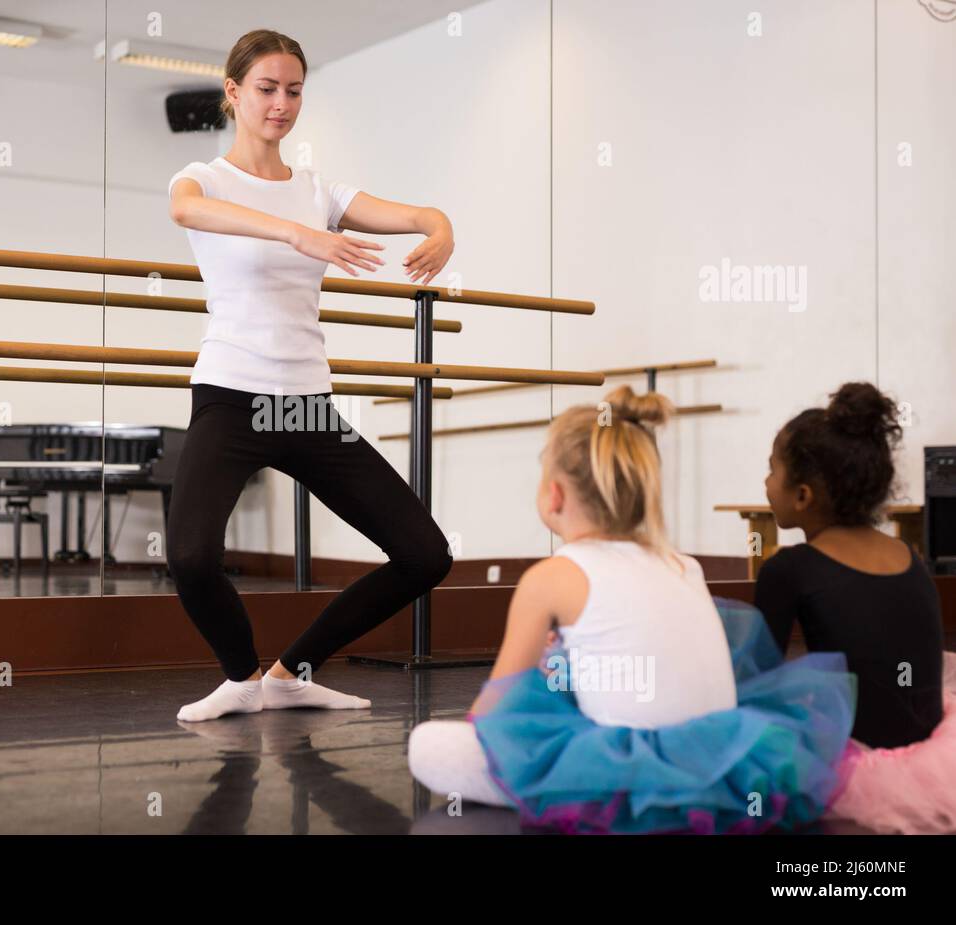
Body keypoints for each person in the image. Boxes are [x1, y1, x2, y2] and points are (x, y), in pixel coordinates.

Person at [407, 386, 856, 833]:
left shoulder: (549, 578)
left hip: (622, 777)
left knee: (428, 746)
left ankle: (582, 792)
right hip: (722, 766)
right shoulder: (686, 566)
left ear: (555, 495)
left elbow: (492, 712)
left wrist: (510, 745)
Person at [166, 29, 455, 721]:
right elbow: (185, 209)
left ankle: (291, 671)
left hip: (305, 407)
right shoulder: (203, 178)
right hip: (232, 398)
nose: (282, 103)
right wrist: (295, 233)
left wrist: (440, 228)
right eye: (267, 88)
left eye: (294, 89)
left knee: (425, 554)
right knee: (191, 555)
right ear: (234, 92)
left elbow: (415, 213)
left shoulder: (317, 189)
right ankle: (240, 676)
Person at [756, 381, 956, 833]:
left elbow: (759, 683)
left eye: (771, 471)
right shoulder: (910, 557)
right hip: (933, 759)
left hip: (856, 773)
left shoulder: (788, 569)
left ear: (803, 495)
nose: (766, 484)